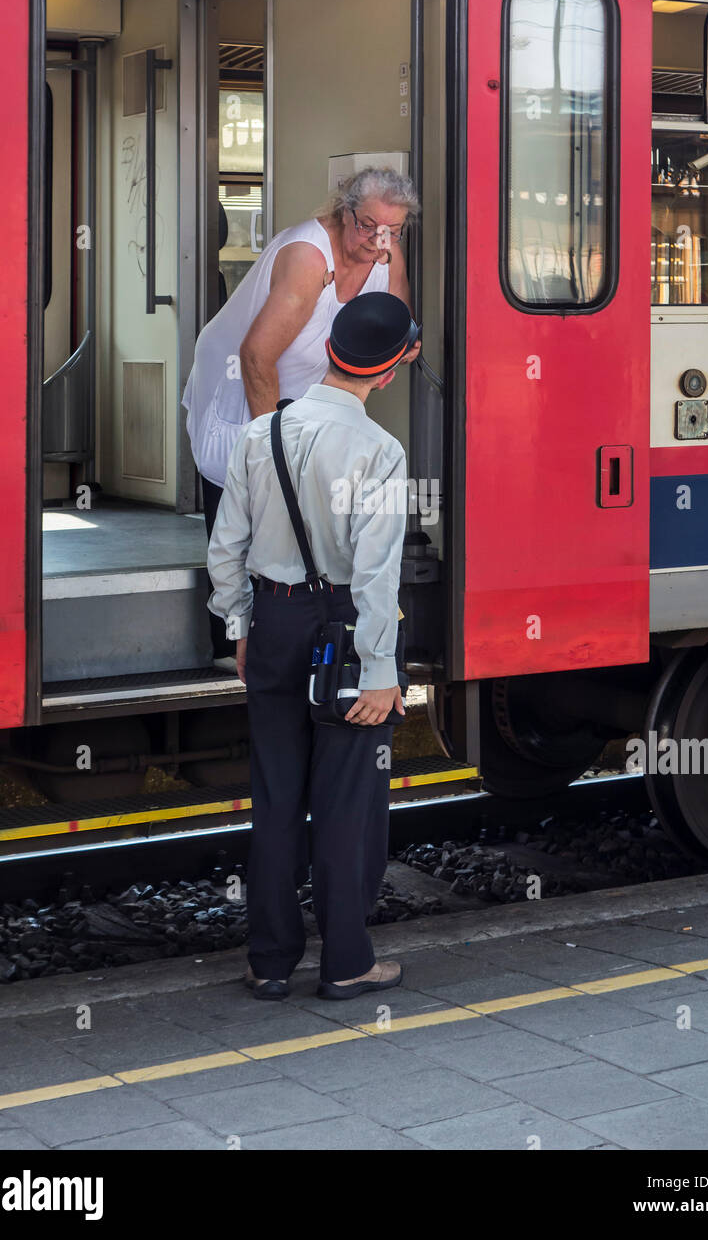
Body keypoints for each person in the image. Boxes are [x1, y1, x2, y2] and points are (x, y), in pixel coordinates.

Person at [207, 291, 413, 1000]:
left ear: (330, 351)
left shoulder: (259, 435)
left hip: (272, 622)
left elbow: (225, 546)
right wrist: (382, 670)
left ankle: (269, 963)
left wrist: (239, 626)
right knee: (345, 803)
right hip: (347, 638)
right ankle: (348, 961)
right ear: (385, 374)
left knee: (275, 799)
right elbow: (378, 576)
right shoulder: (380, 452)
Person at [182, 167, 420, 670]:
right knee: (242, 500)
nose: (379, 241)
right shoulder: (308, 258)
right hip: (239, 376)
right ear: (344, 211)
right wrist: (270, 448)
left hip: (301, 386)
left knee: (292, 505)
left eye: (392, 231)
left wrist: (401, 351)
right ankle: (228, 639)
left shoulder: (385, 252)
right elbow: (255, 357)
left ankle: (287, 631)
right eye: (369, 225)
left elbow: (392, 321)